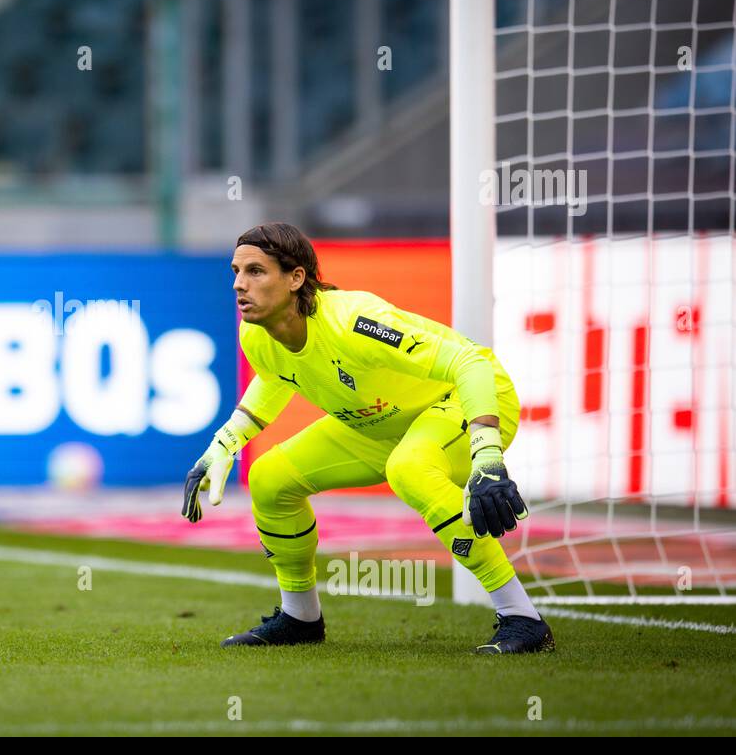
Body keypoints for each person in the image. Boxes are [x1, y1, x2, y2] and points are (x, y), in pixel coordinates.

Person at [181, 222, 555, 654]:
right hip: (380, 424)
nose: (238, 285)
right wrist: (226, 441)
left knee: (409, 468)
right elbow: (277, 374)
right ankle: (300, 617)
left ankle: (521, 617)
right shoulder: (257, 332)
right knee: (269, 479)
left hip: (468, 402)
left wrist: (486, 453)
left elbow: (471, 362)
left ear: (296, 278)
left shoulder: (354, 321)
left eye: (255, 272)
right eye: (236, 271)